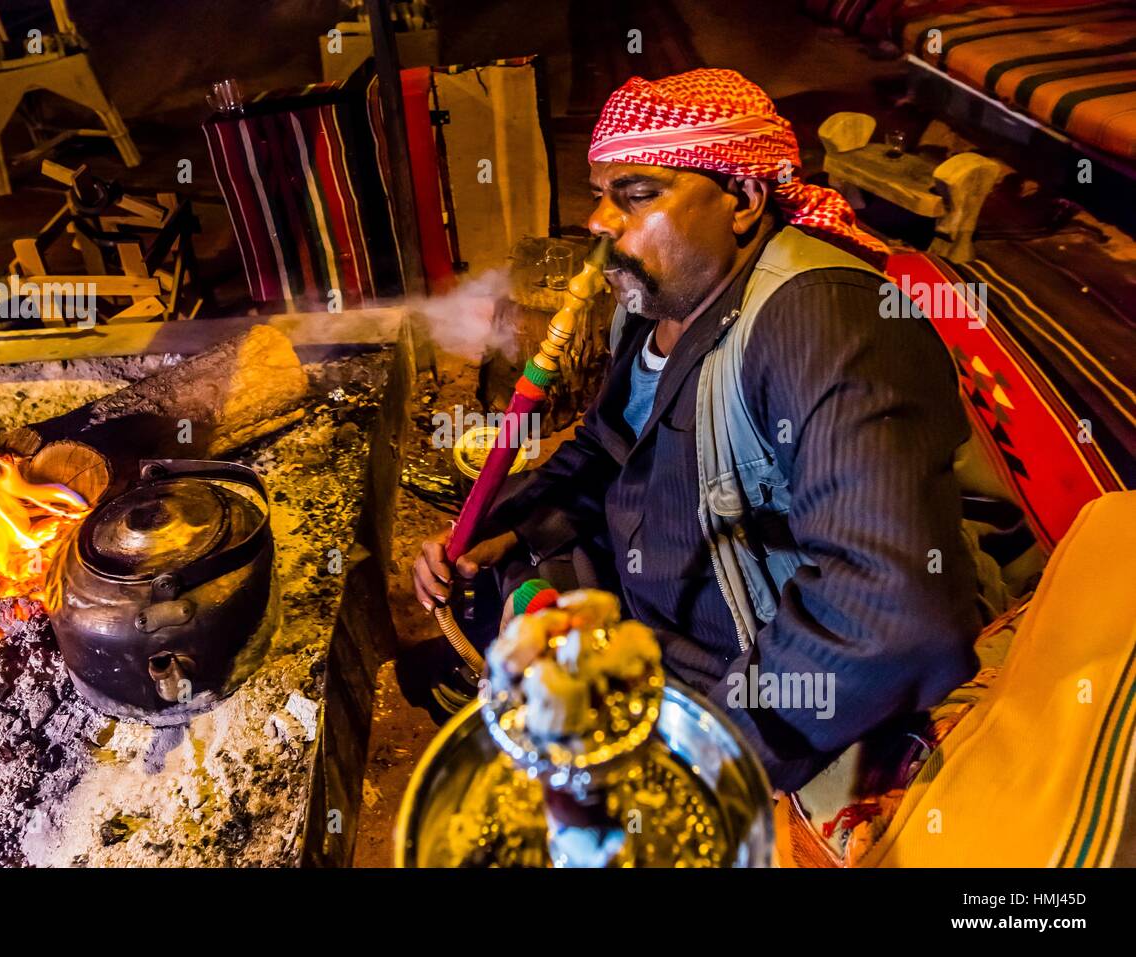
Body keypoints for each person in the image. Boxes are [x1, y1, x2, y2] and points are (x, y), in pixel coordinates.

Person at [406, 68, 981, 792]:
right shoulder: (654, 302)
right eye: (600, 195)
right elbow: (607, 445)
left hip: (746, 666)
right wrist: (511, 520)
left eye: (638, 194)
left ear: (742, 199)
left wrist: (698, 756)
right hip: (654, 592)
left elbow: (887, 607)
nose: (600, 222)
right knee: (505, 578)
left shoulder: (821, 324)